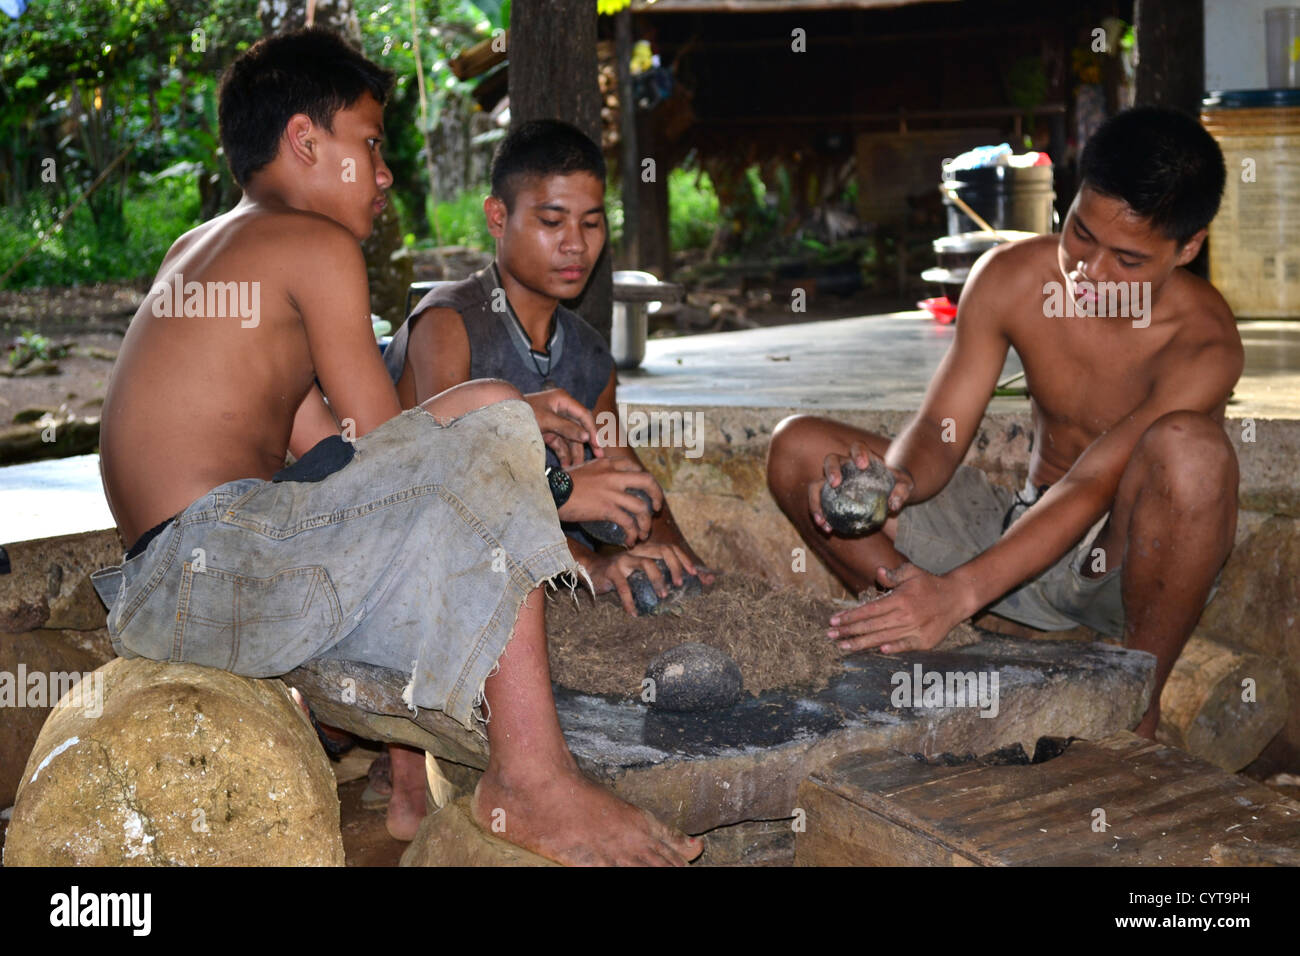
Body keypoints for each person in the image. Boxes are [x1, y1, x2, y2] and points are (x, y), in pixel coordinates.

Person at [93, 28, 700, 867]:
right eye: (371, 146)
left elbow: (333, 453)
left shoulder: (203, 247)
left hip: (176, 582)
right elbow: (395, 450)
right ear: (305, 141)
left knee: (491, 415)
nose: (384, 175)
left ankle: (415, 786)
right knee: (488, 414)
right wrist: (549, 481)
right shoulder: (316, 244)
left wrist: (510, 423)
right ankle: (532, 780)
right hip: (215, 558)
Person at [767, 106, 1240, 739]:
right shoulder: (1011, 278)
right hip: (1012, 531)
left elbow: (1092, 483)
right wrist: (893, 480)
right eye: (1081, 235)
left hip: (1114, 564)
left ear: (1187, 247)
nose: (1089, 273)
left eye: (1127, 261)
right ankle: (929, 633)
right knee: (796, 446)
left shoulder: (1206, 343)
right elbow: (940, 428)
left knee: (1194, 452)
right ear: (1068, 203)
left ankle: (1138, 699)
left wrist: (961, 589)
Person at [381, 118, 716, 836]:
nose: (575, 244)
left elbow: (619, 466)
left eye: (592, 223)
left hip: (520, 554)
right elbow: (435, 474)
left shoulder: (589, 353)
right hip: (402, 546)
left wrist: (675, 556)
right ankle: (407, 767)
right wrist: (586, 552)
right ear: (498, 218)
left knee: (647, 581)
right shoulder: (450, 321)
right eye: (552, 220)